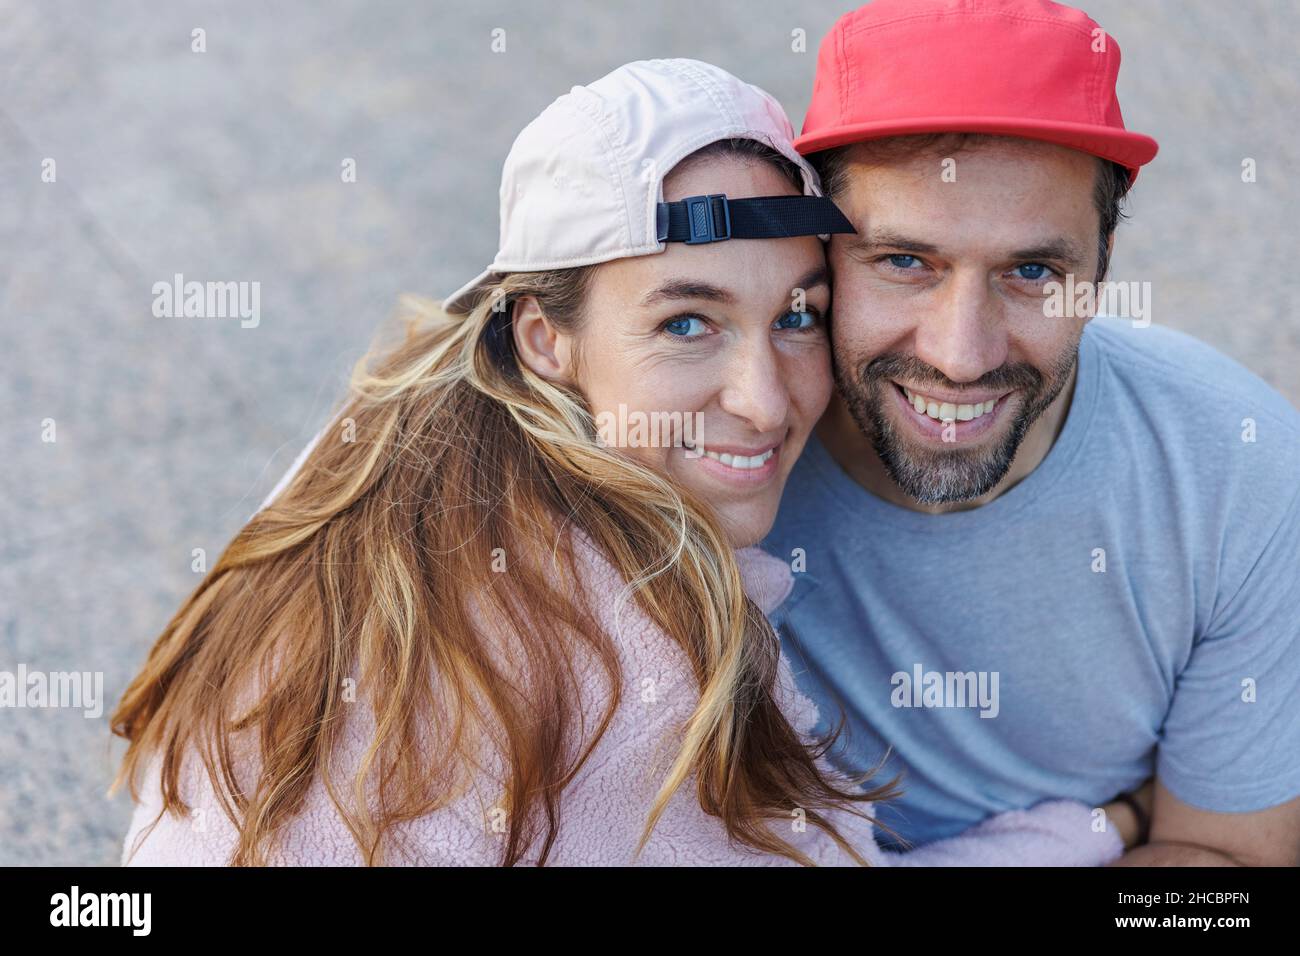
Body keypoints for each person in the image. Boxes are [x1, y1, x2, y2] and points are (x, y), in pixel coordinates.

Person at [112, 58, 1137, 866]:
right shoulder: (631, 639)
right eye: (687, 321)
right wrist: (1101, 826)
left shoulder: (371, 447)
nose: (764, 396)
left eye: (795, 316)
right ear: (546, 334)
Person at [760, 0, 1300, 865]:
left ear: (1103, 271)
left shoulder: (1241, 475)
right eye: (904, 261)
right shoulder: (712, 451)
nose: (962, 355)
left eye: (1033, 272)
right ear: (815, 252)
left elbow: (1224, 882)